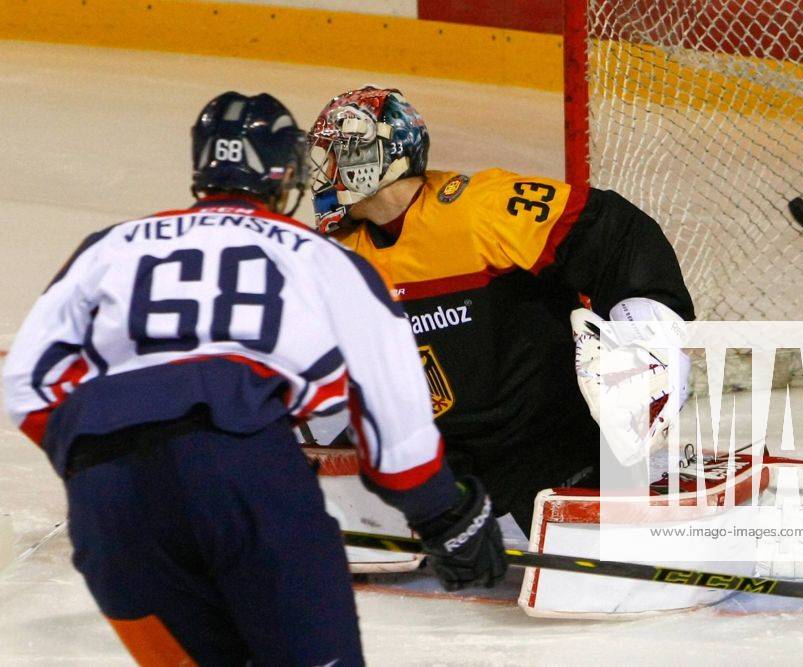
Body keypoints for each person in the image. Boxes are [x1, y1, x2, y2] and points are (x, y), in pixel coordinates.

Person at [2, 91, 505, 666]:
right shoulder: (323, 258)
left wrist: (99, 456)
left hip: (107, 499)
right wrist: (443, 511)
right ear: (283, 171)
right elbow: (391, 405)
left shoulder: (110, 246)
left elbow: (28, 380)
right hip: (242, 477)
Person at [307, 87, 695, 534]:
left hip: (539, 441)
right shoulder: (339, 254)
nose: (326, 171)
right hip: (432, 448)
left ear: (381, 157)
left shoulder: (481, 209)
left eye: (339, 154)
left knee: (590, 554)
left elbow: (617, 235)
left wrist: (646, 327)